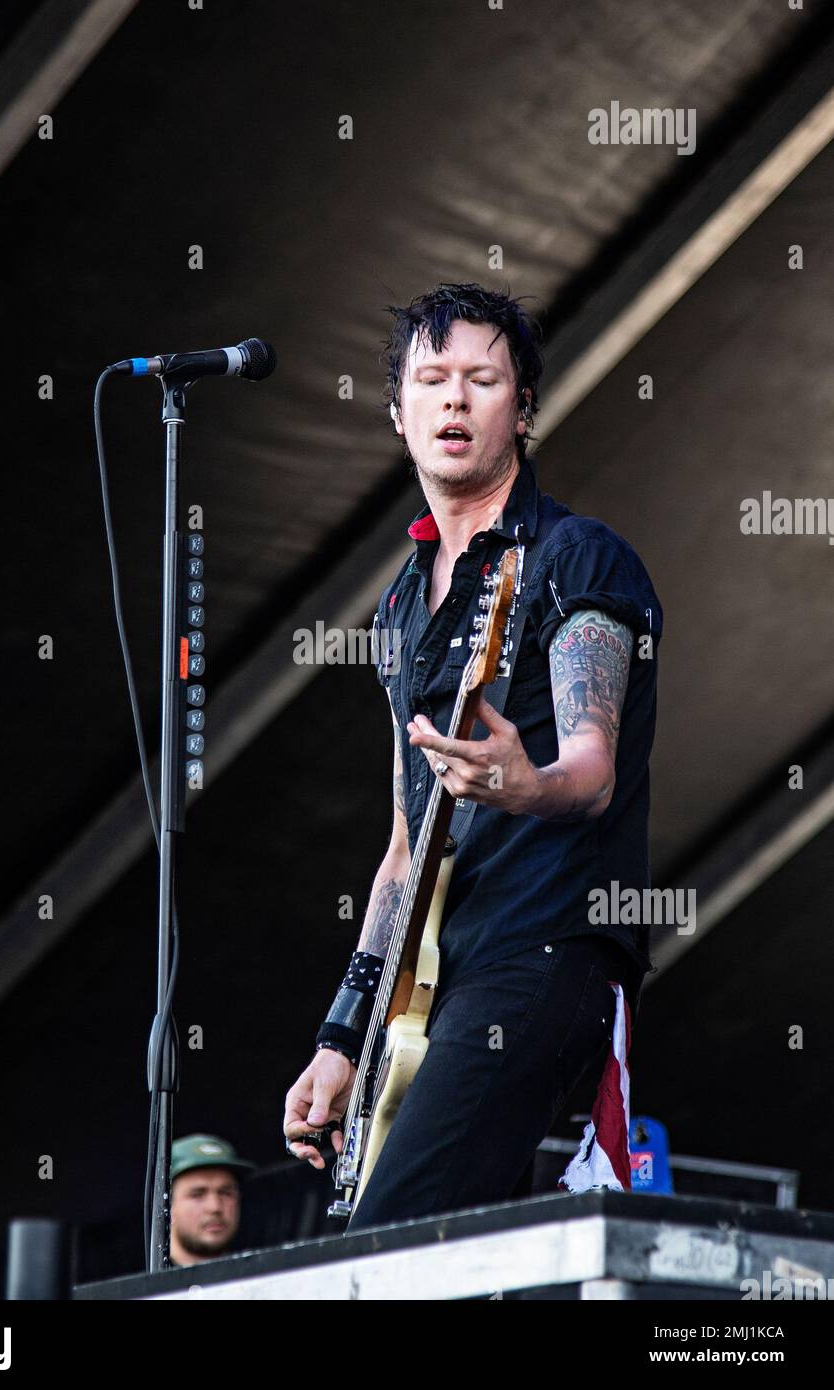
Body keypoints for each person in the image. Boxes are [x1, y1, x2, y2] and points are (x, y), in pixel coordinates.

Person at [282, 282, 663, 1227]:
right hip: (434, 980)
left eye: (483, 380)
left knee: (388, 1247)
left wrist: (523, 784)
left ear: (523, 409)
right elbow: (405, 852)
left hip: (545, 950)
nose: (455, 399)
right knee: (409, 1248)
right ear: (398, 411)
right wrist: (343, 1035)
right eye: (433, 379)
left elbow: (591, 771)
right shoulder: (402, 609)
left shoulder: (577, 558)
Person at [168, 1134, 254, 1266]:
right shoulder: (139, 1282)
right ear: (167, 1207)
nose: (215, 1207)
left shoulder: (260, 1276)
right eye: (197, 1194)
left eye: (226, 1193)